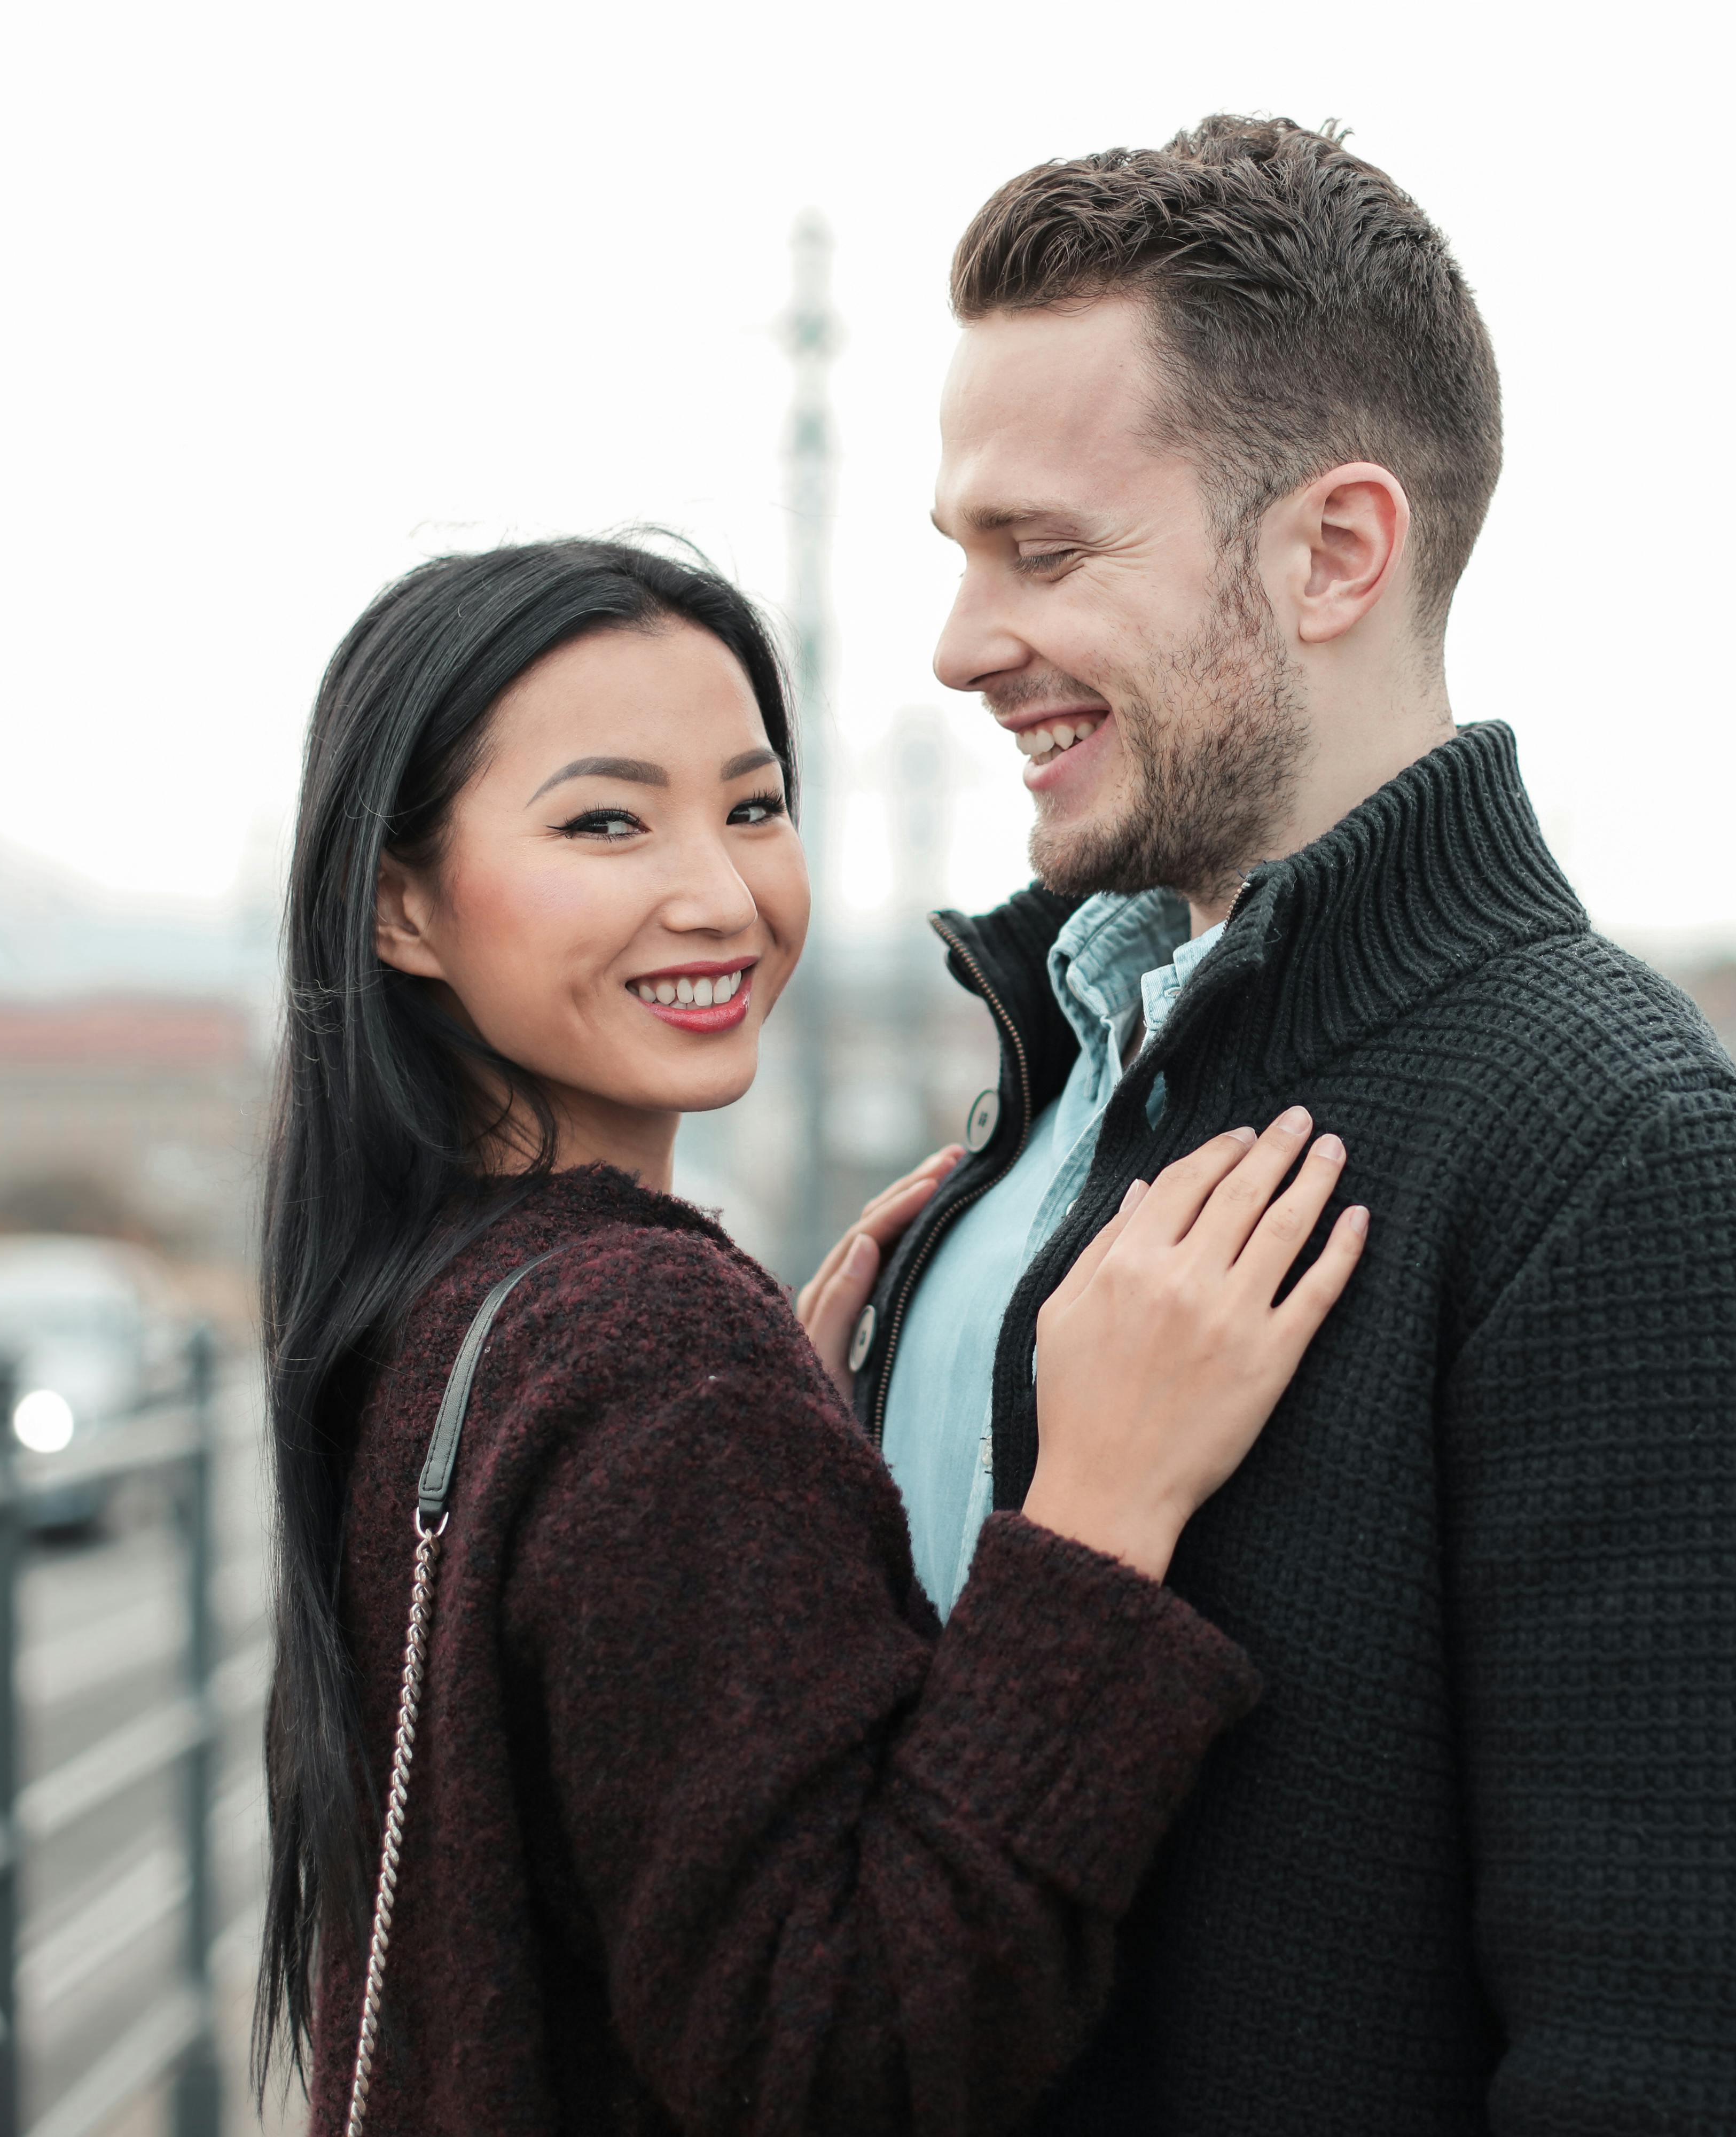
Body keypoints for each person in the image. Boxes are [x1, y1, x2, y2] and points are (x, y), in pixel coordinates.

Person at [842, 120, 1736, 2133]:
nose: (962, 644)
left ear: (1335, 550)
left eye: (1044, 553)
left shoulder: (1637, 1176)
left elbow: (1677, 2072)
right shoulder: (1058, 1085)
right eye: (960, 554)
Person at [251, 536, 1371, 2135]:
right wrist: (1101, 1513)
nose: (721, 893)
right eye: (606, 820)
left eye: (754, 805)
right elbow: (846, 2055)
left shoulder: (432, 1310)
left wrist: (774, 1462)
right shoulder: (645, 1354)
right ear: (402, 911)